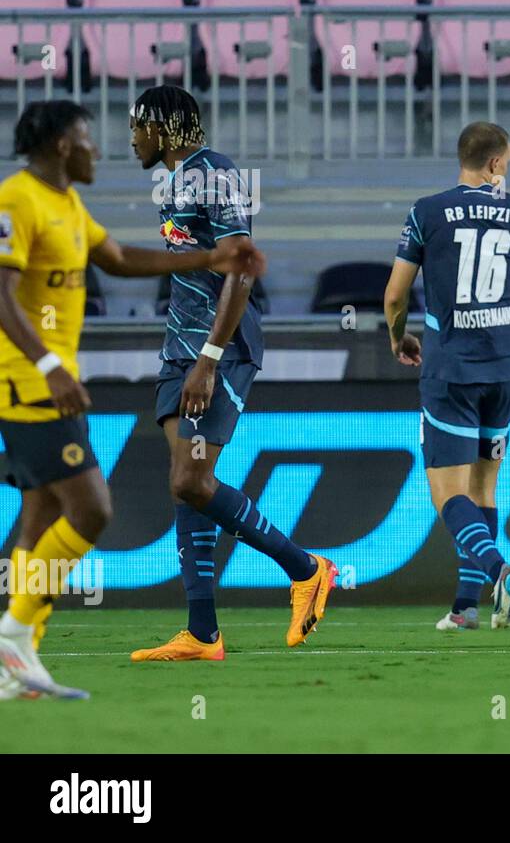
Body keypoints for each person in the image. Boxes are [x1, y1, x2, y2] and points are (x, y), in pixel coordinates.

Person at [0, 100, 263, 697]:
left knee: (40, 515)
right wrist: (46, 364)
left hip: (47, 380)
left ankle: (18, 662)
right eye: (90, 137)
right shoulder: (17, 199)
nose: (103, 148)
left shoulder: (67, 204)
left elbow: (118, 259)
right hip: (28, 383)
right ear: (64, 146)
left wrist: (212, 256)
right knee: (91, 509)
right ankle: (13, 635)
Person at [126, 87, 335, 663]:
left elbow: (241, 268)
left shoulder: (213, 175)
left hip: (220, 352)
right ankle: (202, 633)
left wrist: (210, 361)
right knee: (184, 484)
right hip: (180, 350)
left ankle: (306, 568)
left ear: (165, 128)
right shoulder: (174, 181)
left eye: (138, 126)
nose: (132, 137)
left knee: (192, 481)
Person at [383, 122, 510, 630]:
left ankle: (500, 571)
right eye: (508, 160)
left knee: (449, 495)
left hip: (450, 368)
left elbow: (394, 295)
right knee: (484, 489)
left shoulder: (426, 211)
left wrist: (397, 337)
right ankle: (466, 606)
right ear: (496, 163)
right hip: (503, 368)